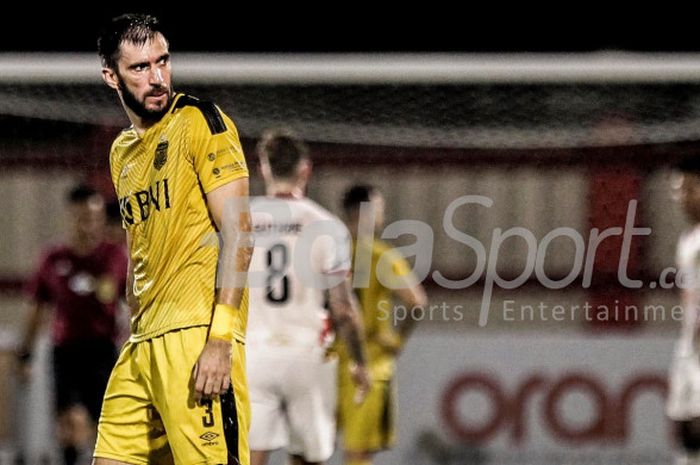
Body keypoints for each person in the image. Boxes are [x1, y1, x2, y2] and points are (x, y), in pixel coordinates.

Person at [95, 13, 253, 465]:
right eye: (140, 68)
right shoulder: (121, 152)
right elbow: (137, 241)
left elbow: (240, 233)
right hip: (142, 344)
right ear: (112, 76)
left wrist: (220, 340)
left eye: (162, 61)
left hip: (197, 337)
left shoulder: (200, 122)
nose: (157, 77)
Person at [246, 129, 369, 465]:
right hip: (306, 354)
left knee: (252, 454)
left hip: (253, 354)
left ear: (263, 169)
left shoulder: (241, 220)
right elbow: (343, 308)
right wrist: (358, 360)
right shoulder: (326, 225)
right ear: (305, 171)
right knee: (309, 456)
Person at [17, 184, 127, 465]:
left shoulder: (114, 257)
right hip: (65, 350)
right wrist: (25, 353)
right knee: (69, 421)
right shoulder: (53, 258)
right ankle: (71, 456)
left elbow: (134, 303)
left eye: (95, 218)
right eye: (82, 217)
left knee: (100, 423)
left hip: (102, 350)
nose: (89, 225)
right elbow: (37, 308)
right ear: (70, 216)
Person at [338, 184, 428, 465]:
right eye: (379, 210)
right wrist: (397, 340)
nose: (383, 216)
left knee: (308, 449)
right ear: (367, 212)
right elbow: (417, 302)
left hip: (327, 360)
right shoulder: (380, 255)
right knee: (359, 452)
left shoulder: (328, 250)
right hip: (368, 363)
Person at [667, 157, 700, 465]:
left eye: (688, 188)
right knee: (686, 429)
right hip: (689, 347)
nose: (681, 197)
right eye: (677, 190)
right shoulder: (688, 240)